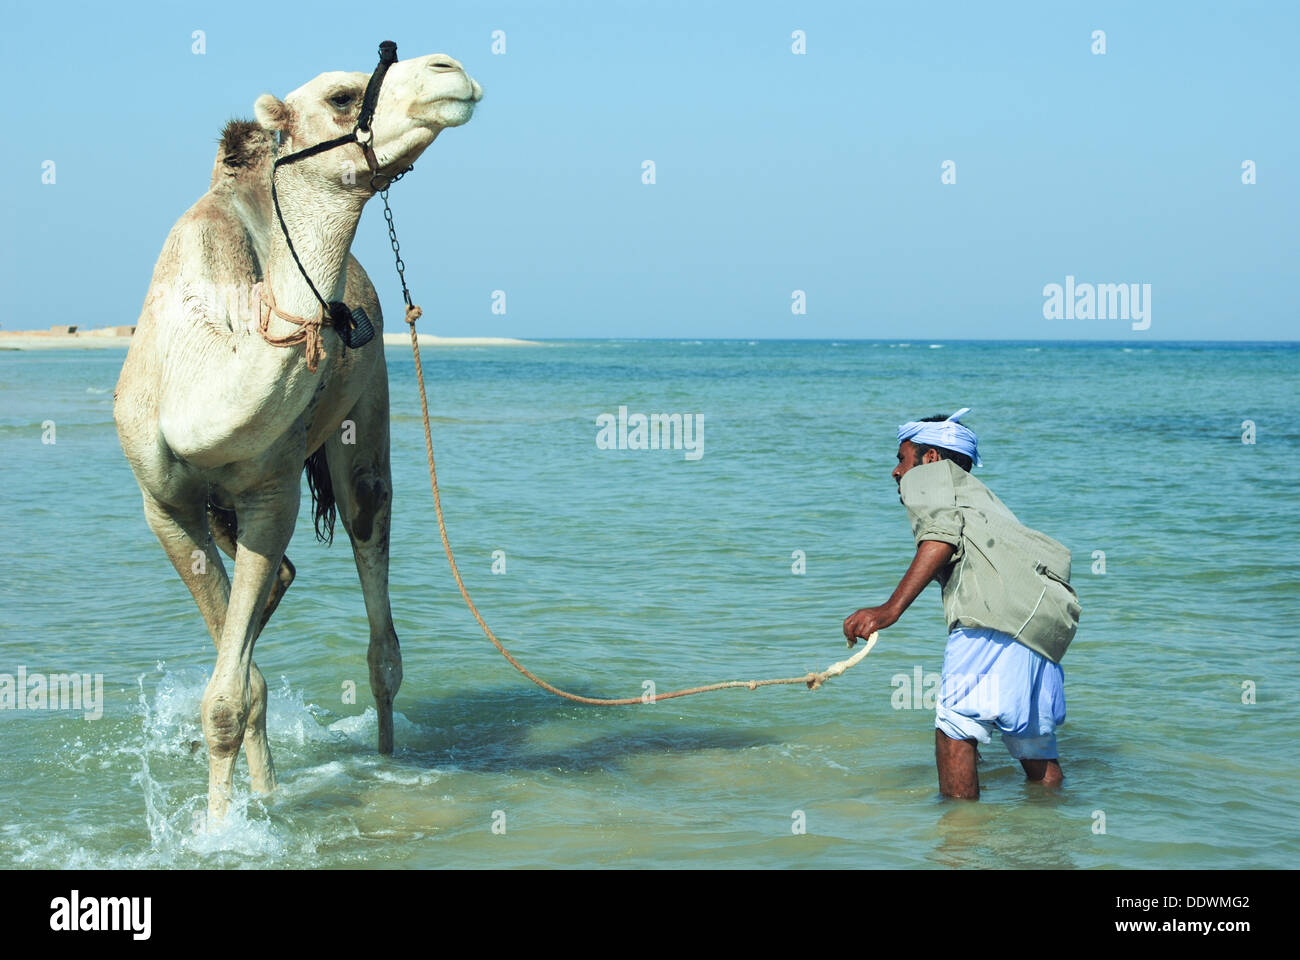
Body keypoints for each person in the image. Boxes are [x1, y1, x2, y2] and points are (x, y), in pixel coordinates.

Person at [842, 409, 1081, 799]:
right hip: (1045, 622)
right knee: (1032, 746)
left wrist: (889, 610)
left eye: (902, 459)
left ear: (931, 457)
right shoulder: (981, 499)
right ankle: (1047, 839)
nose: (897, 472)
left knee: (955, 728)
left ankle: (958, 844)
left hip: (996, 615)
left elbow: (940, 538)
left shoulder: (930, 477)